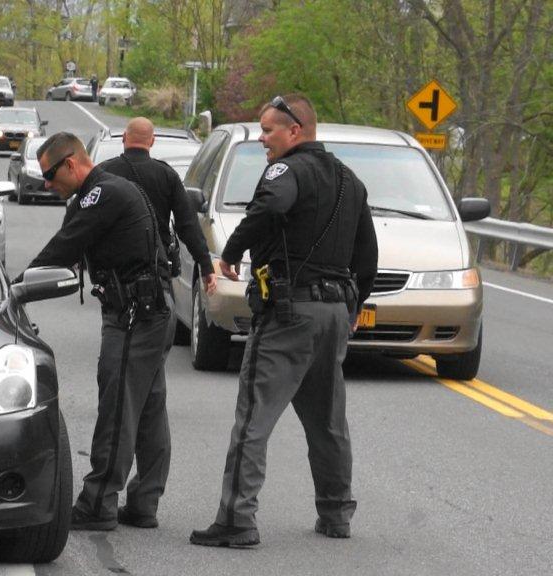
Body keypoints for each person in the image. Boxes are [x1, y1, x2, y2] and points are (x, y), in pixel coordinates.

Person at [190, 94, 378, 548]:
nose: (261, 139)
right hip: (334, 314)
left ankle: (237, 520)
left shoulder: (285, 171)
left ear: (295, 131)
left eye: (268, 130)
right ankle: (336, 515)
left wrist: (231, 253)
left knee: (253, 418)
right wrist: (354, 307)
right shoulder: (351, 181)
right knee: (328, 421)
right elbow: (366, 254)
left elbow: (271, 207)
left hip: (290, 313)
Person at [21, 132, 173, 530]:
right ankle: (144, 502)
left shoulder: (100, 194)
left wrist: (13, 291)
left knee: (119, 408)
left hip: (134, 314)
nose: (48, 185)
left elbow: (62, 250)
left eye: (51, 175)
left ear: (72, 163)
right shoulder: (105, 191)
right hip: (152, 310)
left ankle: (98, 503)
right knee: (149, 409)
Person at [99, 117, 214, 290]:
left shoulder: (103, 173)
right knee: (161, 312)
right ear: (152, 141)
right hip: (155, 266)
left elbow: (82, 217)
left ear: (124, 137)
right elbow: (187, 225)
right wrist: (206, 265)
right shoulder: (167, 175)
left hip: (115, 270)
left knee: (115, 314)